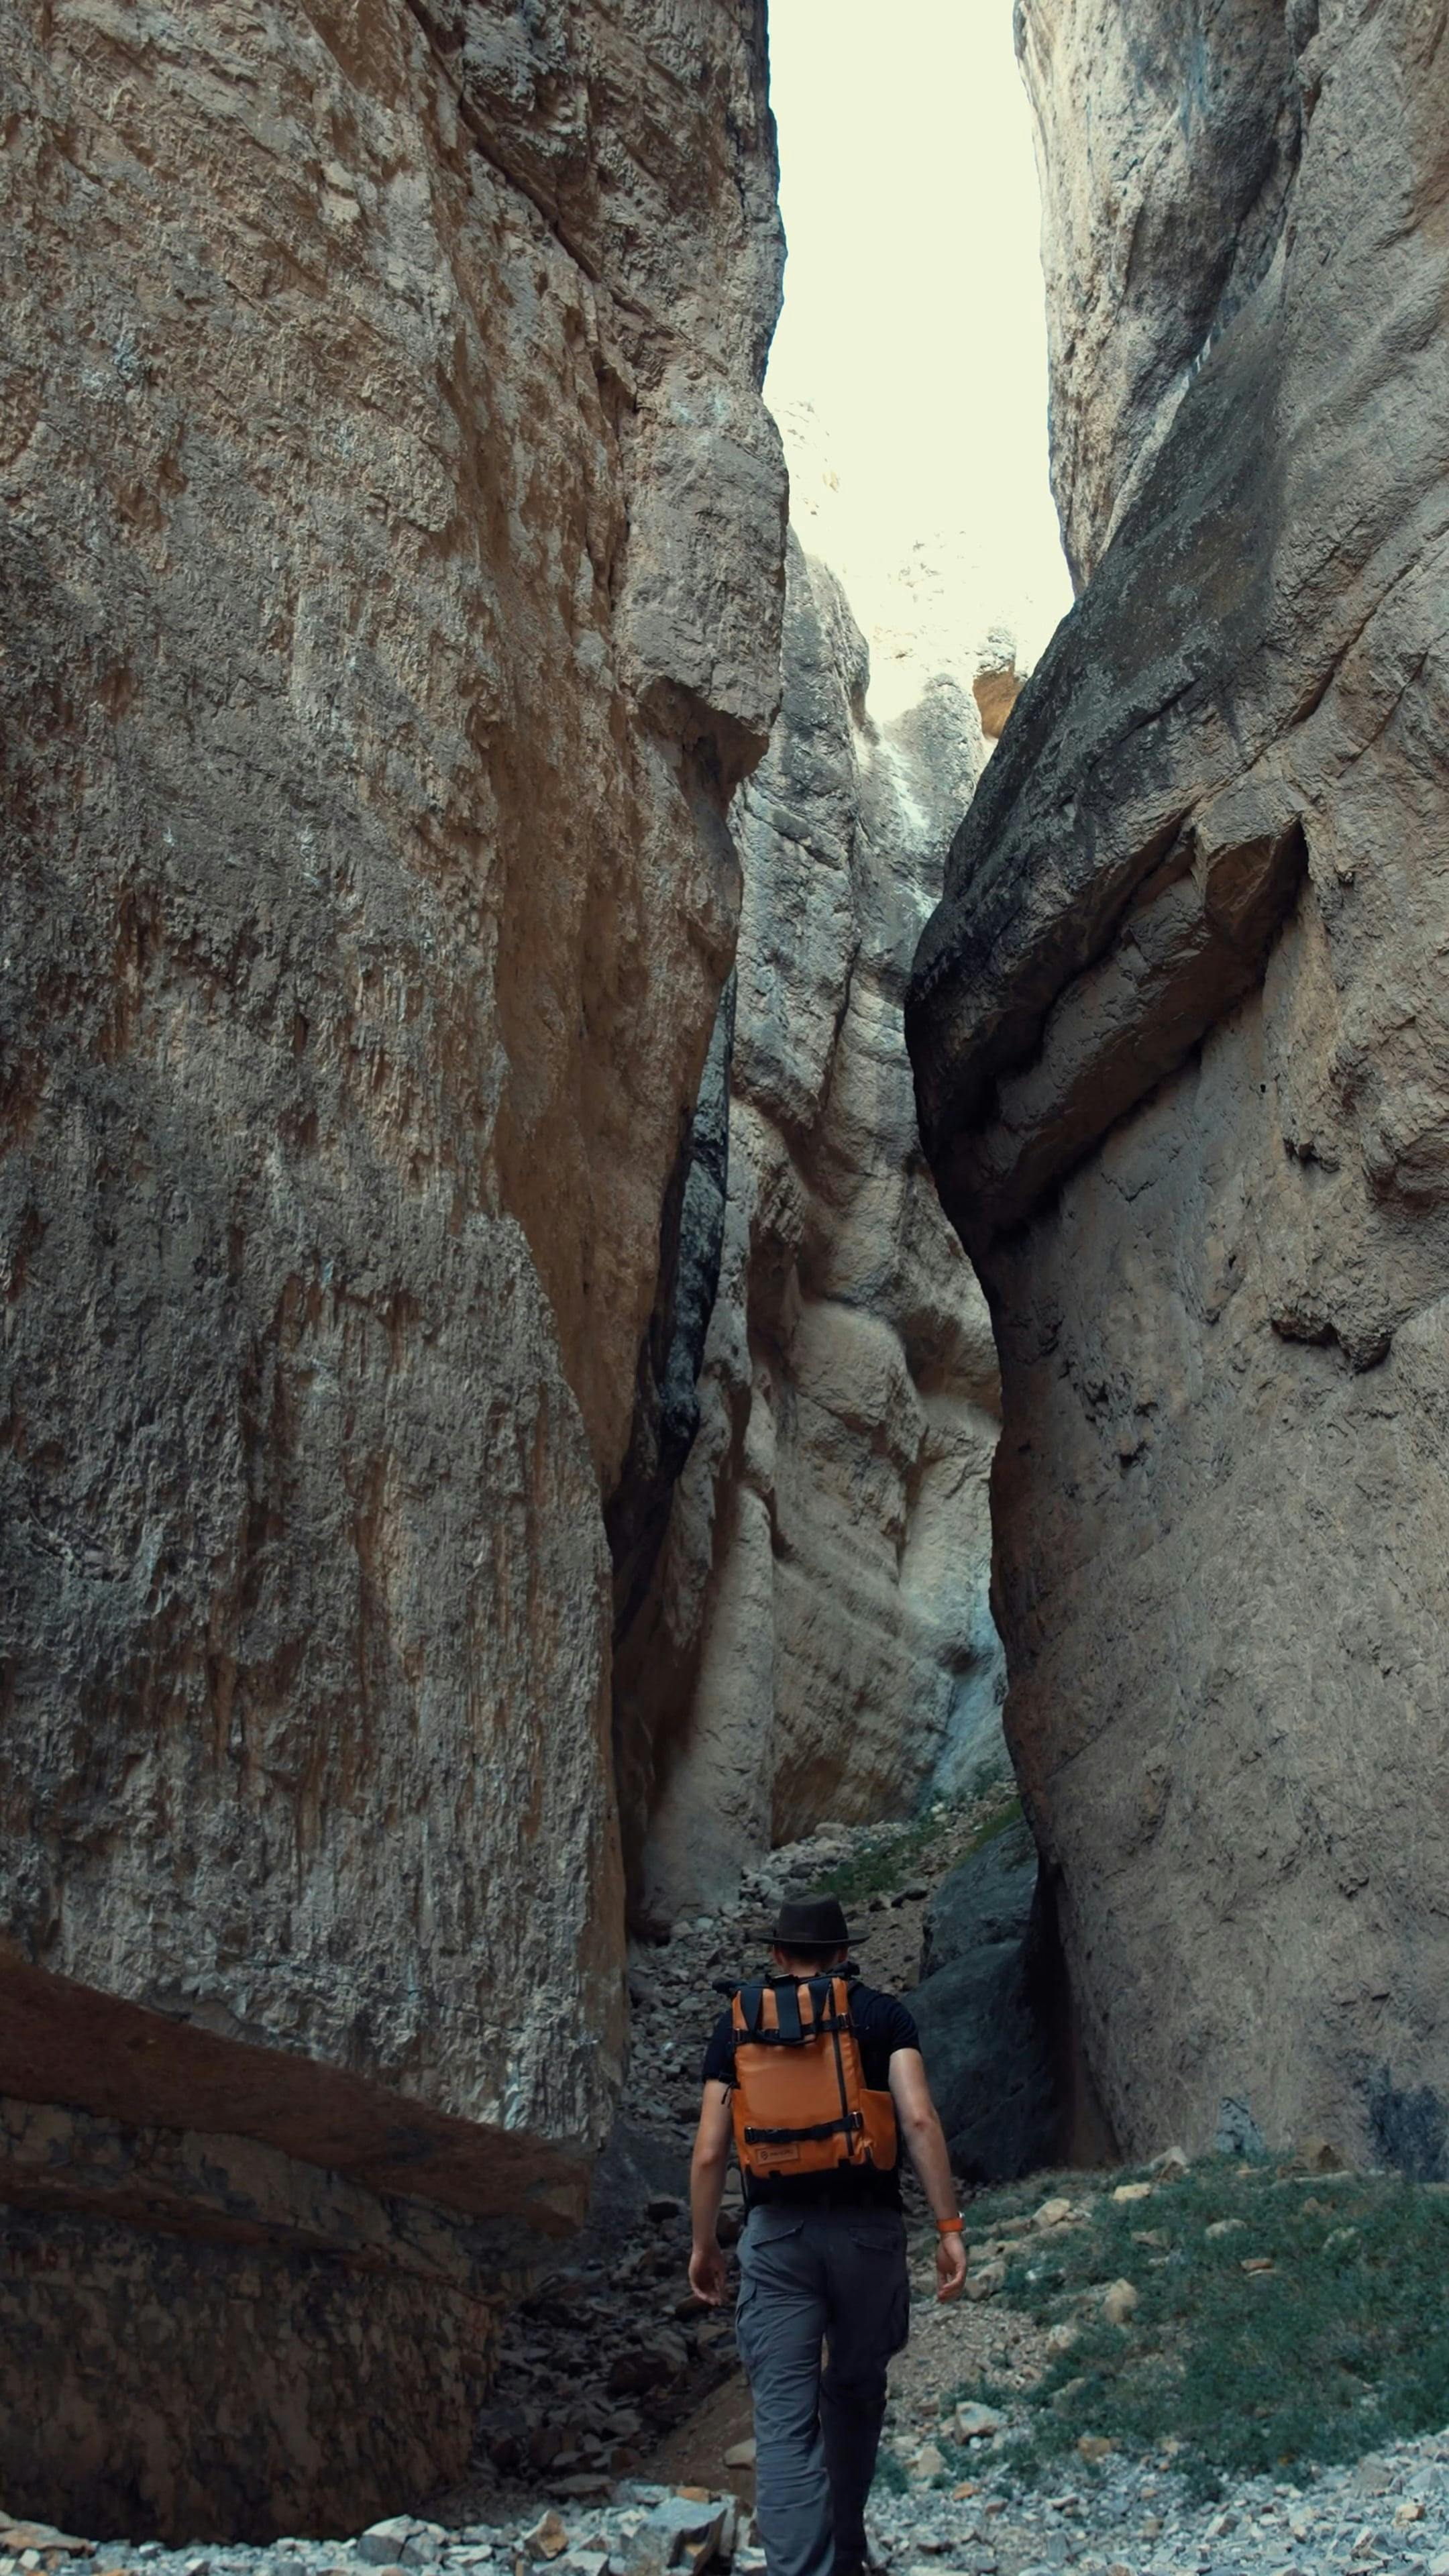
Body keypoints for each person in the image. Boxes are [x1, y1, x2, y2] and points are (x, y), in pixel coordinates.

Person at [688, 1894, 967, 2576]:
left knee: (783, 2424)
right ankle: (847, 2551)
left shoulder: (738, 2025)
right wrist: (948, 2226)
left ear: (778, 1956)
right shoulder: (880, 2016)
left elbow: (708, 2151)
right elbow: (920, 2121)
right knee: (855, 2390)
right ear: (845, 1953)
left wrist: (704, 2246)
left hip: (778, 2240)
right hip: (869, 2238)